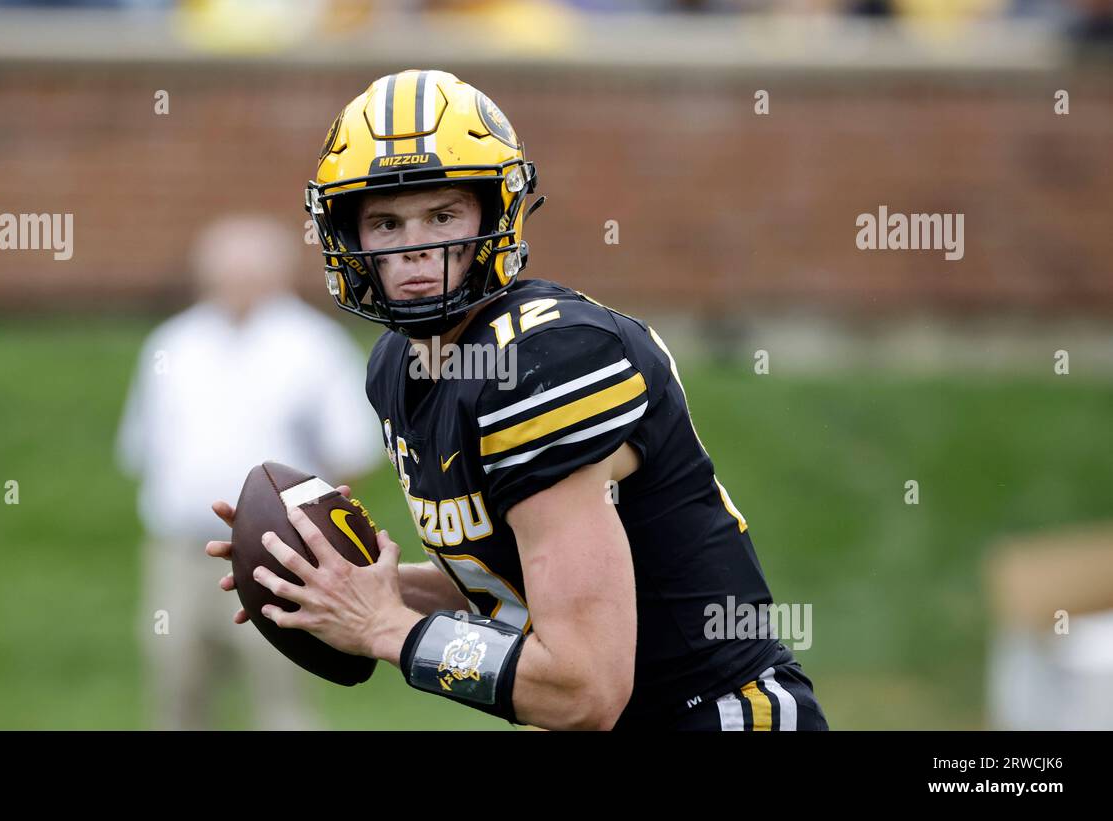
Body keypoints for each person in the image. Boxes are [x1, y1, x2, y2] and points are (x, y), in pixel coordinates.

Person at [206, 71, 828, 730]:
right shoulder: (394, 367)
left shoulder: (541, 361)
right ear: (350, 239)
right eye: (387, 222)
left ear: (494, 212)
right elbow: (514, 582)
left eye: (442, 215)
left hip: (719, 713)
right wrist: (353, 588)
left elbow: (584, 685)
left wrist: (386, 628)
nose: (418, 247)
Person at [118, 214, 381, 729]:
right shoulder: (173, 342)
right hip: (178, 550)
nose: (235, 285)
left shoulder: (314, 346)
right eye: (225, 273)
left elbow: (352, 450)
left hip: (276, 554)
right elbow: (144, 444)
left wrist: (307, 534)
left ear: (278, 274)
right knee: (176, 690)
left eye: (249, 273)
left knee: (280, 694)